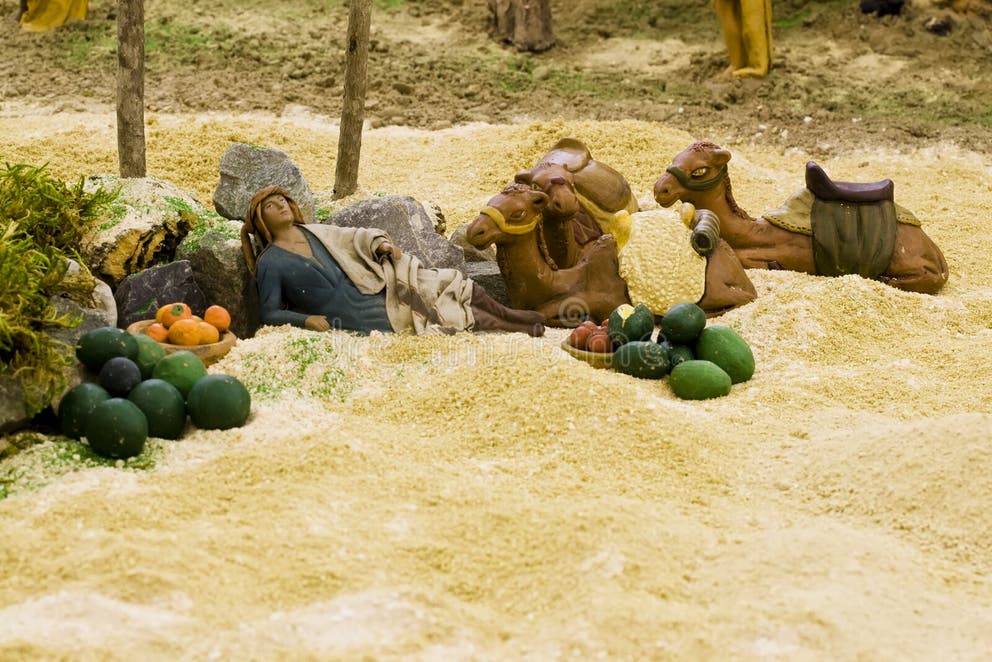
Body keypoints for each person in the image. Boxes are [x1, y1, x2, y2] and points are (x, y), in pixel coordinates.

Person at [241, 185, 545, 337]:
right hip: (353, 313)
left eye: (282, 200)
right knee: (437, 311)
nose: (280, 205)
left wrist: (380, 243)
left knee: (447, 281)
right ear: (260, 220)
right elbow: (269, 312)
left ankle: (513, 315)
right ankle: (513, 328)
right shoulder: (271, 262)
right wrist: (305, 320)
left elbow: (352, 237)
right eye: (271, 205)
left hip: (372, 284)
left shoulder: (314, 232)